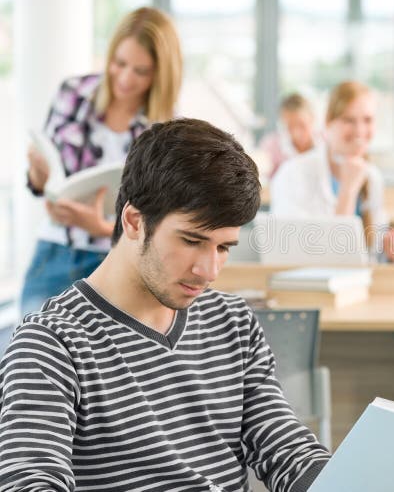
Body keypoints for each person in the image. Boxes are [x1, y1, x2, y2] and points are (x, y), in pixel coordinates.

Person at [0, 118, 330, 491]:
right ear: (134, 221)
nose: (209, 271)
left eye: (224, 248)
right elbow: (29, 483)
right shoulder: (50, 344)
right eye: (191, 241)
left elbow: (286, 451)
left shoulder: (233, 321)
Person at [22, 6, 182, 316]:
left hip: (115, 263)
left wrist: (101, 227)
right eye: (119, 63)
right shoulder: (73, 93)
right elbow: (43, 183)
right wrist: (38, 173)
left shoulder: (166, 129)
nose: (124, 78)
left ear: (160, 75)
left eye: (140, 71)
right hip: (55, 249)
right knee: (26, 353)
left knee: (103, 361)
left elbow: (160, 222)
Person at [270, 81, 394, 260]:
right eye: (349, 120)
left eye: (367, 120)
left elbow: (371, 255)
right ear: (329, 121)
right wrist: (348, 190)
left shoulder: (372, 177)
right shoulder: (292, 174)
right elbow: (325, 258)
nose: (360, 130)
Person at [261, 92, 321, 179]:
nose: (296, 133)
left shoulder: (327, 142)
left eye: (302, 125)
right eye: (290, 126)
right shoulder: (271, 145)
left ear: (312, 118)